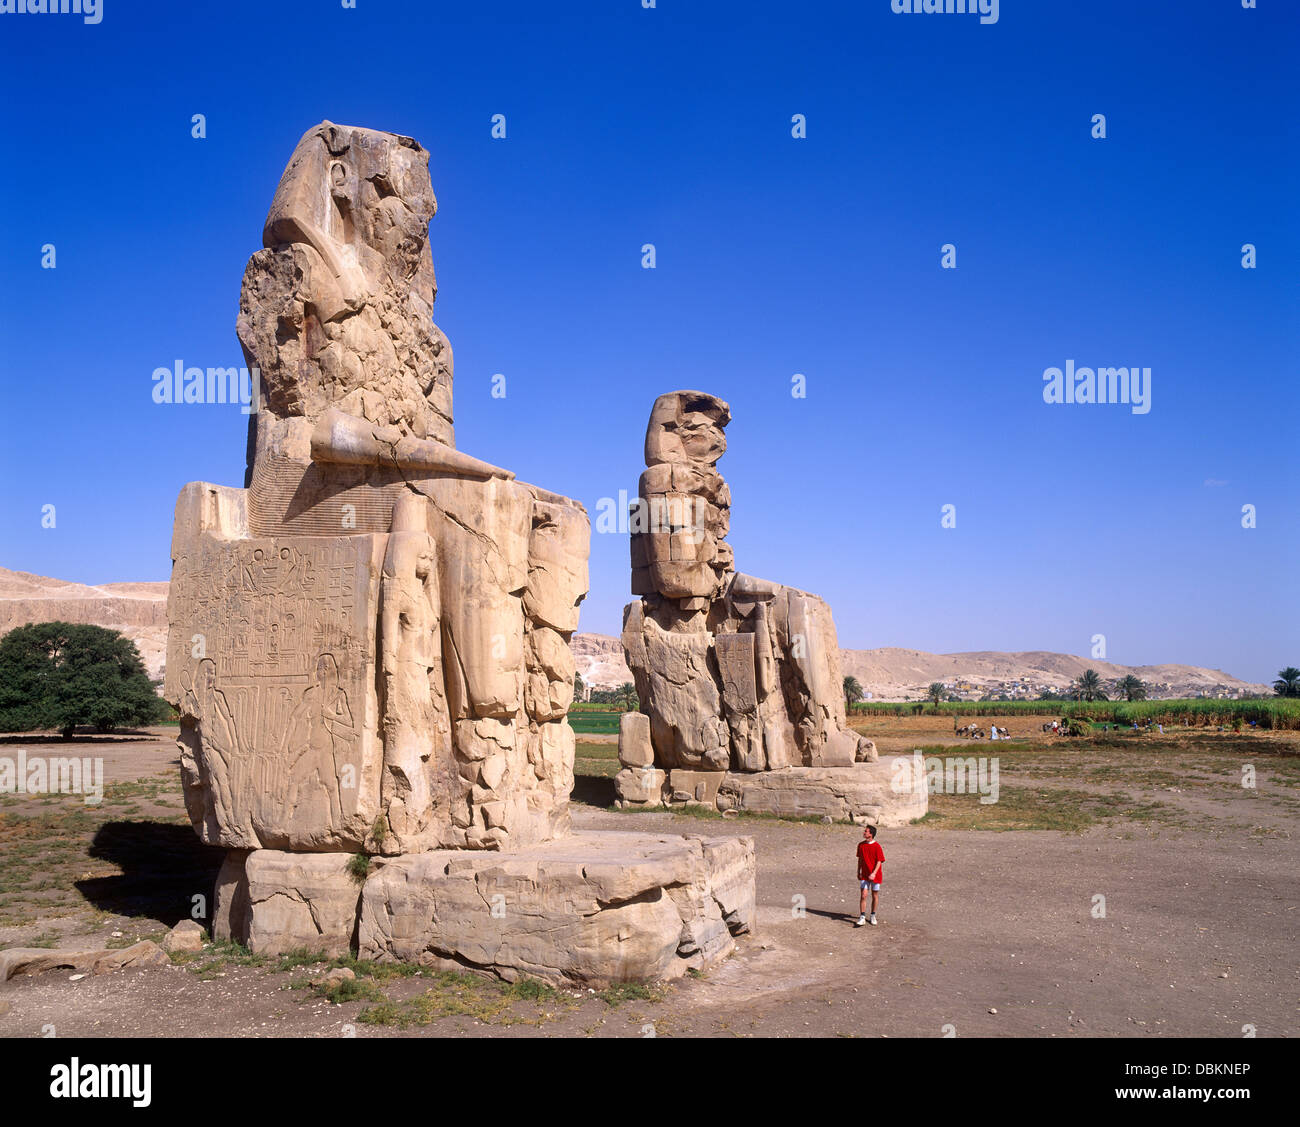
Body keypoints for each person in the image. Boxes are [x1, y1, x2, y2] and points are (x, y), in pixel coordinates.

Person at [856, 824, 885, 927]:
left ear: (871, 834)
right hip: (864, 874)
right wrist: (858, 871)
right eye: (864, 831)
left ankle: (873, 915)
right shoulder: (861, 845)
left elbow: (879, 861)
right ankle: (862, 916)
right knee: (863, 895)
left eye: (866, 831)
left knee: (874, 895)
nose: (864, 832)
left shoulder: (877, 846)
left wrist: (874, 873)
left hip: (875, 876)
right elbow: (860, 859)